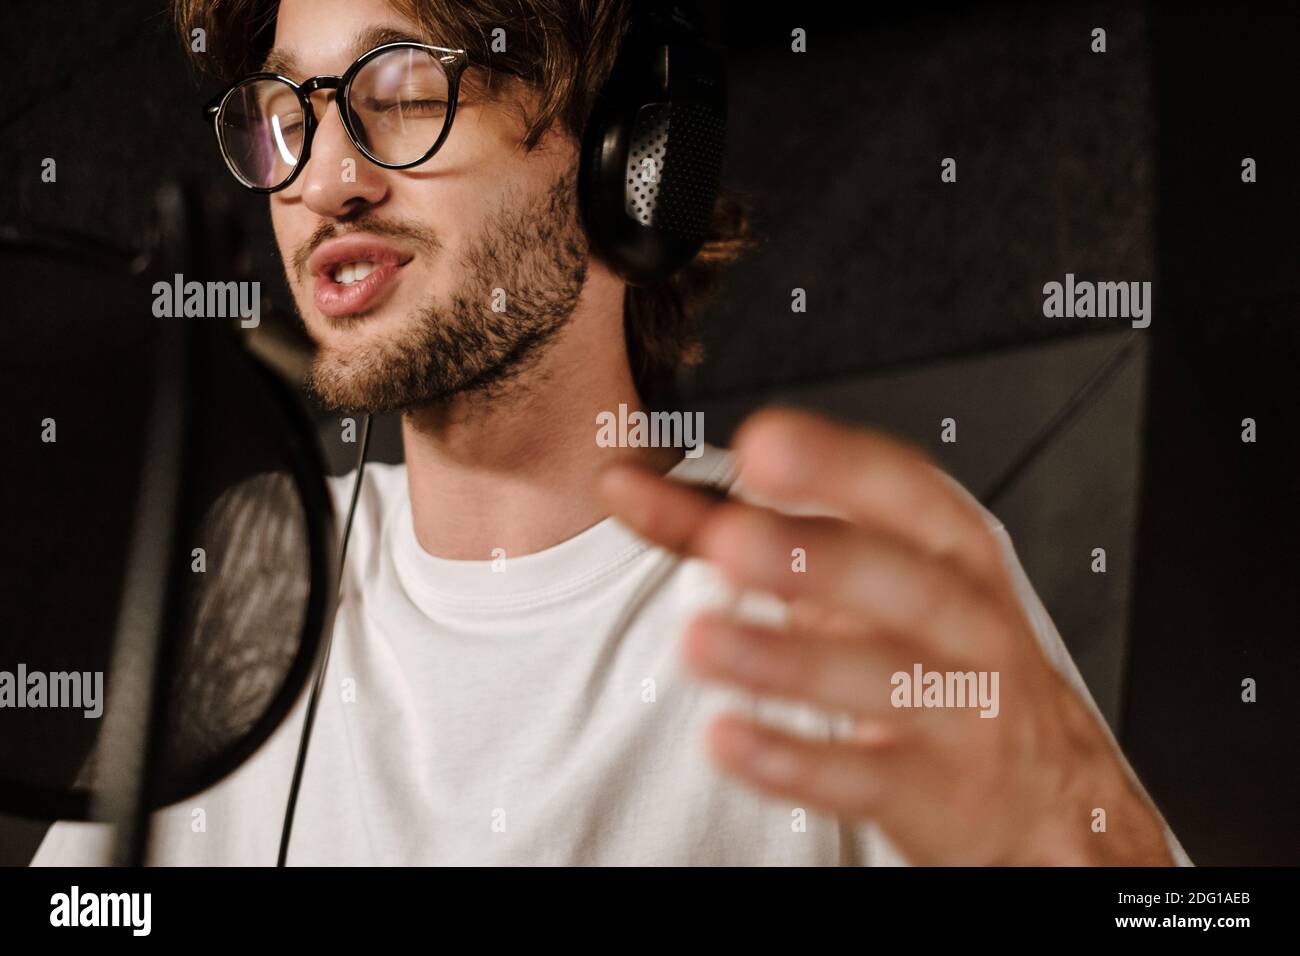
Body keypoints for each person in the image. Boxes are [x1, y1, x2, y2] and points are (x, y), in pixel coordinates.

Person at [33, 0, 1189, 865]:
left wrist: (1100, 834)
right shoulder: (251, 566)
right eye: (288, 113)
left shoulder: (839, 574)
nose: (321, 177)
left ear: (628, 155)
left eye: (399, 86)